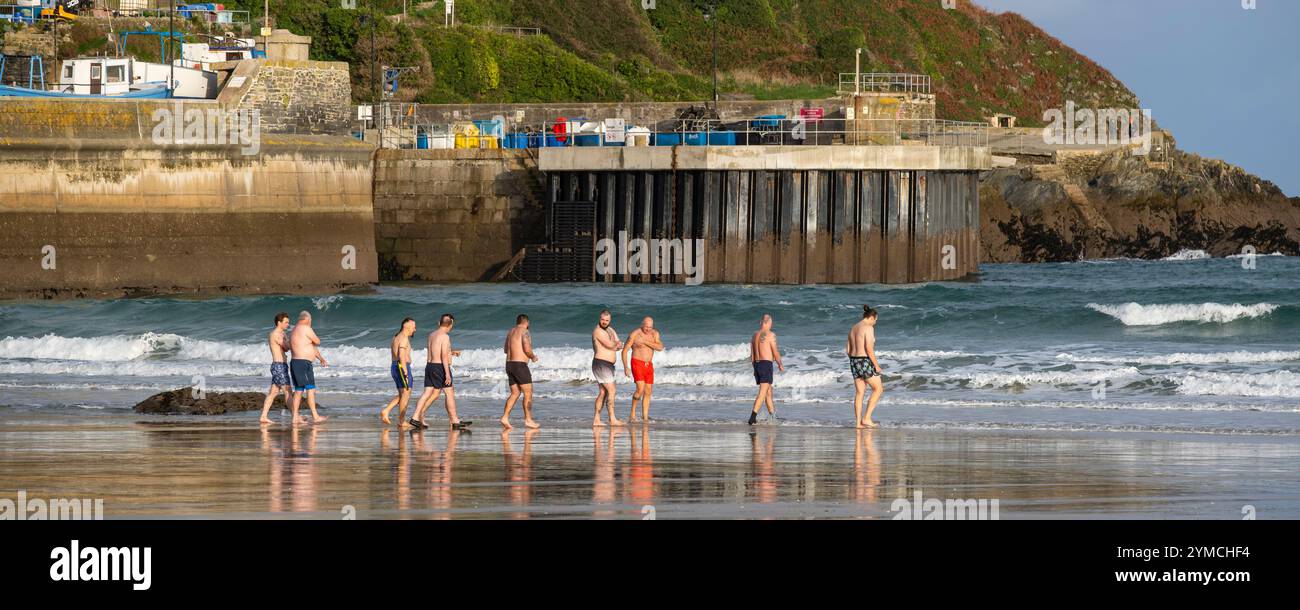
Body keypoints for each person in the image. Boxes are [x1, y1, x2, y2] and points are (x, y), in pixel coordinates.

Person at [411, 314, 470, 430]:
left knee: (427, 393)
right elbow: (443, 356)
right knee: (449, 393)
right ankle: (455, 421)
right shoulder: (445, 337)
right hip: (440, 367)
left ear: (439, 323)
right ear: (451, 324)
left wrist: (451, 352)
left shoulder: (432, 335)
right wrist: (447, 373)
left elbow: (433, 352)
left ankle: (415, 417)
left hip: (430, 366)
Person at [847, 305, 885, 429]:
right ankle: (867, 418)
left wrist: (856, 362)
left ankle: (858, 423)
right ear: (872, 317)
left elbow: (848, 350)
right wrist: (876, 366)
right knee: (878, 389)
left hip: (853, 361)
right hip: (864, 361)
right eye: (876, 320)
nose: (875, 323)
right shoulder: (868, 328)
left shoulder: (854, 328)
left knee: (859, 393)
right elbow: (869, 349)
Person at [288, 311, 329, 425]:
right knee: (310, 389)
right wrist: (310, 328)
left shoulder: (293, 330)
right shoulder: (306, 328)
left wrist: (320, 358)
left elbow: (310, 346)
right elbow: (317, 341)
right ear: (307, 319)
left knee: (298, 391)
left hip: (295, 363)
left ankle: (294, 417)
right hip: (303, 364)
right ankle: (315, 416)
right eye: (311, 321)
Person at [501, 314, 540, 430]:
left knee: (515, 393)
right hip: (520, 365)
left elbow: (505, 350)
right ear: (527, 322)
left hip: (509, 364)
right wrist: (532, 357)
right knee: (528, 393)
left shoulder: (511, 331)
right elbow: (527, 348)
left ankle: (505, 417)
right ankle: (528, 420)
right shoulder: (525, 332)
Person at [621, 316, 664, 422]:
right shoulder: (635, 334)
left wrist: (646, 342)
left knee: (648, 391)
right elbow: (625, 351)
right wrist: (626, 367)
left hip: (648, 365)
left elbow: (660, 347)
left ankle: (645, 417)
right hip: (637, 363)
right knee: (640, 389)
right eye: (646, 326)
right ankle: (632, 413)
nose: (648, 329)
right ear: (642, 324)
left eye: (650, 327)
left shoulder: (655, 334)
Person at [259, 312, 296, 424]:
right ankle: (295, 416)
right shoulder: (275, 334)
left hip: (281, 366)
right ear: (279, 322)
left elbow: (285, 349)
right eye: (286, 322)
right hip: (278, 366)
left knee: (273, 392)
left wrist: (287, 340)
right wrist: (291, 340)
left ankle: (263, 416)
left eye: (288, 322)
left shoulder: (282, 334)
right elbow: (286, 346)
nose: (287, 324)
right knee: (288, 391)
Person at [591, 309, 625, 428]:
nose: (604, 322)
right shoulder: (598, 331)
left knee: (603, 392)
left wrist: (617, 345)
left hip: (608, 365)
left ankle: (596, 419)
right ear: (599, 319)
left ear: (610, 320)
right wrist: (615, 345)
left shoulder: (610, 330)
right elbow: (611, 345)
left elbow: (619, 342)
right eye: (602, 320)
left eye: (607, 320)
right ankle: (612, 419)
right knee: (612, 391)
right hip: (601, 364)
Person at [748, 314, 784, 425]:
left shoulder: (755, 336)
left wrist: (755, 368)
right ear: (768, 322)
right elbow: (775, 352)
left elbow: (752, 354)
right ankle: (752, 417)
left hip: (757, 364)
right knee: (763, 393)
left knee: (768, 392)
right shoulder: (771, 335)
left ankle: (773, 417)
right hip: (766, 364)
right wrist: (780, 364)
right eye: (771, 323)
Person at [381, 318, 417, 426]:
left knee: (404, 394)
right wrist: (405, 372)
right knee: (405, 394)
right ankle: (401, 421)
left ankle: (386, 410)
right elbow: (401, 355)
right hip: (402, 367)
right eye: (414, 327)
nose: (415, 329)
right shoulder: (404, 338)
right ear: (407, 326)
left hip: (395, 366)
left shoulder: (396, 337)